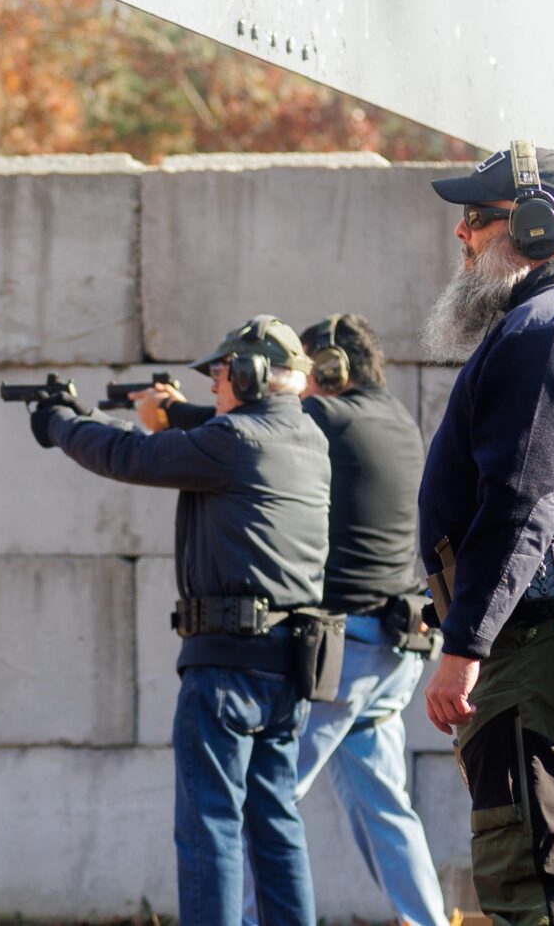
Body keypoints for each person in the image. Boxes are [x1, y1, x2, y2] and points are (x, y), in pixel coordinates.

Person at [25, 315, 330, 926]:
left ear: (250, 374)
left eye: (220, 375)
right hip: (286, 663)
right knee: (274, 827)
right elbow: (236, 428)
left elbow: (128, 453)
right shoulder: (308, 439)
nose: (215, 387)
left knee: (209, 828)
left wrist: (60, 421)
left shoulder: (232, 443)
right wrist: (180, 411)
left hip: (227, 668)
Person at [419, 143, 554, 925]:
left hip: (520, 651)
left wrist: (464, 644)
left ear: (541, 226)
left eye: (476, 219)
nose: (463, 237)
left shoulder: (546, 330)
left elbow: (523, 504)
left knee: (530, 887)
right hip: (534, 644)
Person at [192, 313, 448, 926]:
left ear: (331, 370)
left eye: (304, 369)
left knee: (265, 799)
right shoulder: (397, 421)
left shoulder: (328, 419)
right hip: (396, 645)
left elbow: (253, 434)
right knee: (385, 805)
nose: (293, 383)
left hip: (353, 646)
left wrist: (176, 416)